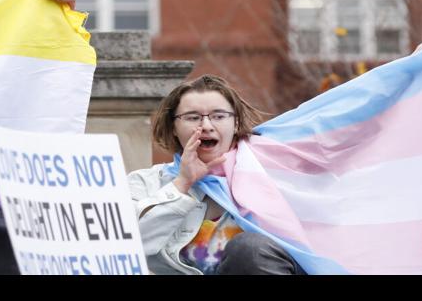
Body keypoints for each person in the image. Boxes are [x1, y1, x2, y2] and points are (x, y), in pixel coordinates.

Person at [126, 74, 303, 275]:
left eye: (218, 116)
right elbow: (125, 247)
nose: (207, 126)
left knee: (250, 248)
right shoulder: (142, 183)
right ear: (173, 127)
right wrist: (182, 184)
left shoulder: (271, 178)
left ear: (235, 123)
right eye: (193, 117)